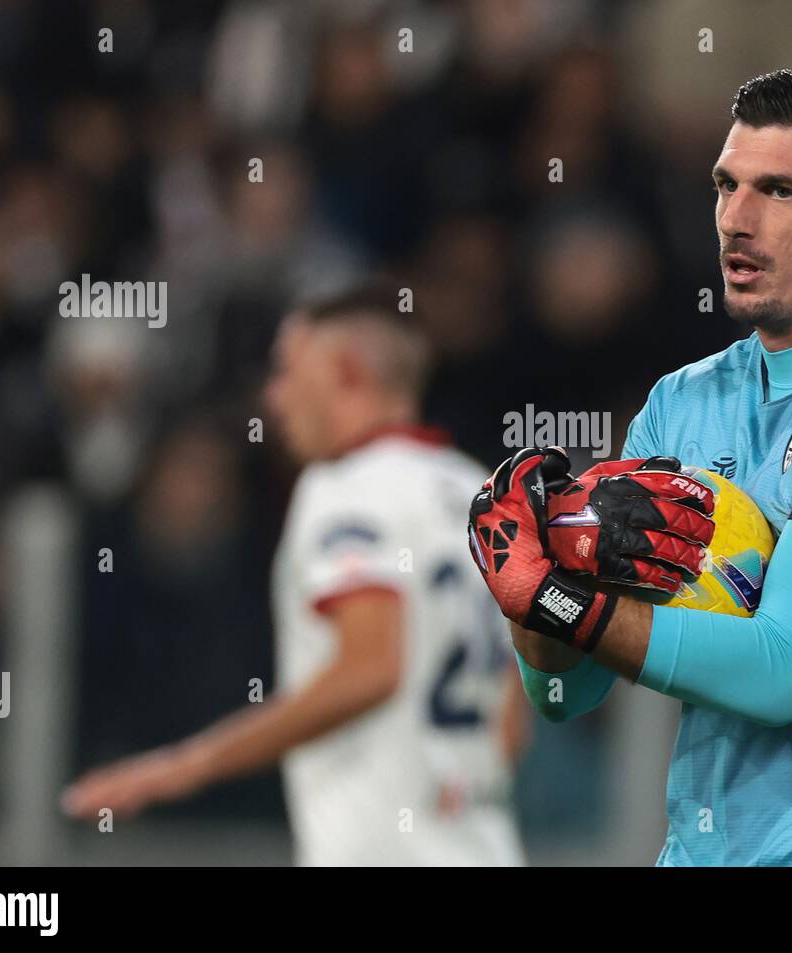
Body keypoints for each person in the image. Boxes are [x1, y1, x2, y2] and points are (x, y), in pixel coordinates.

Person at [468, 67, 792, 866]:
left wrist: (556, 600)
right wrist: (532, 587)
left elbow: (777, 676)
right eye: (726, 185)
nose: (736, 221)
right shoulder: (679, 404)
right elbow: (564, 697)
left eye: (780, 192)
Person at [64, 285, 529, 866]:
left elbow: (371, 668)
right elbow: (511, 716)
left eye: (287, 371)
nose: (274, 397)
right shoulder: (479, 491)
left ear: (348, 373)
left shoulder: (345, 489)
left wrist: (185, 765)